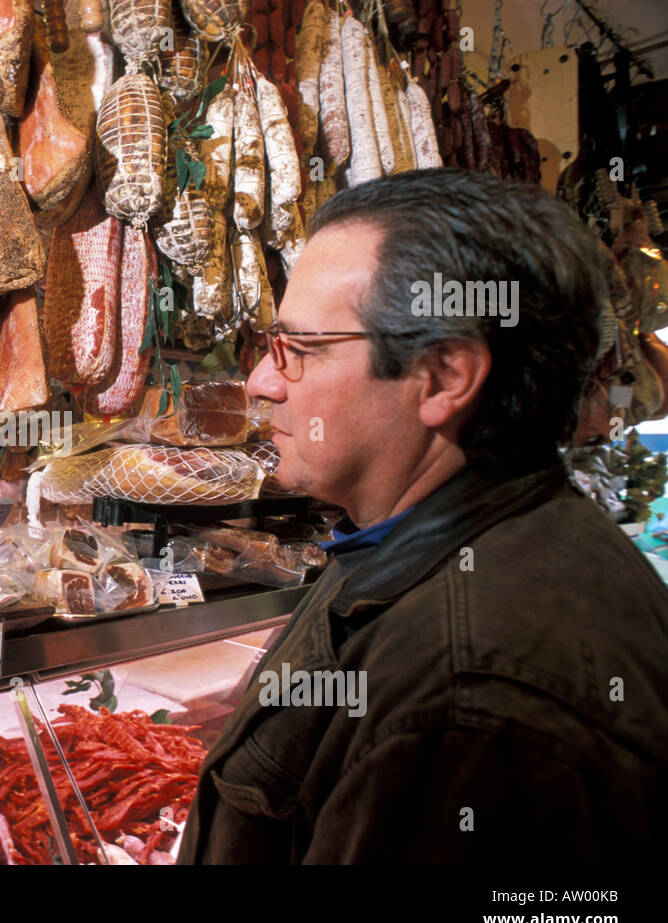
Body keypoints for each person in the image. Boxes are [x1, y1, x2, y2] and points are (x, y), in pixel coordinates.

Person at [179, 168, 668, 864]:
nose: (258, 381)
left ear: (443, 377)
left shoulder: (473, 704)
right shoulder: (424, 535)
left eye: (301, 350)